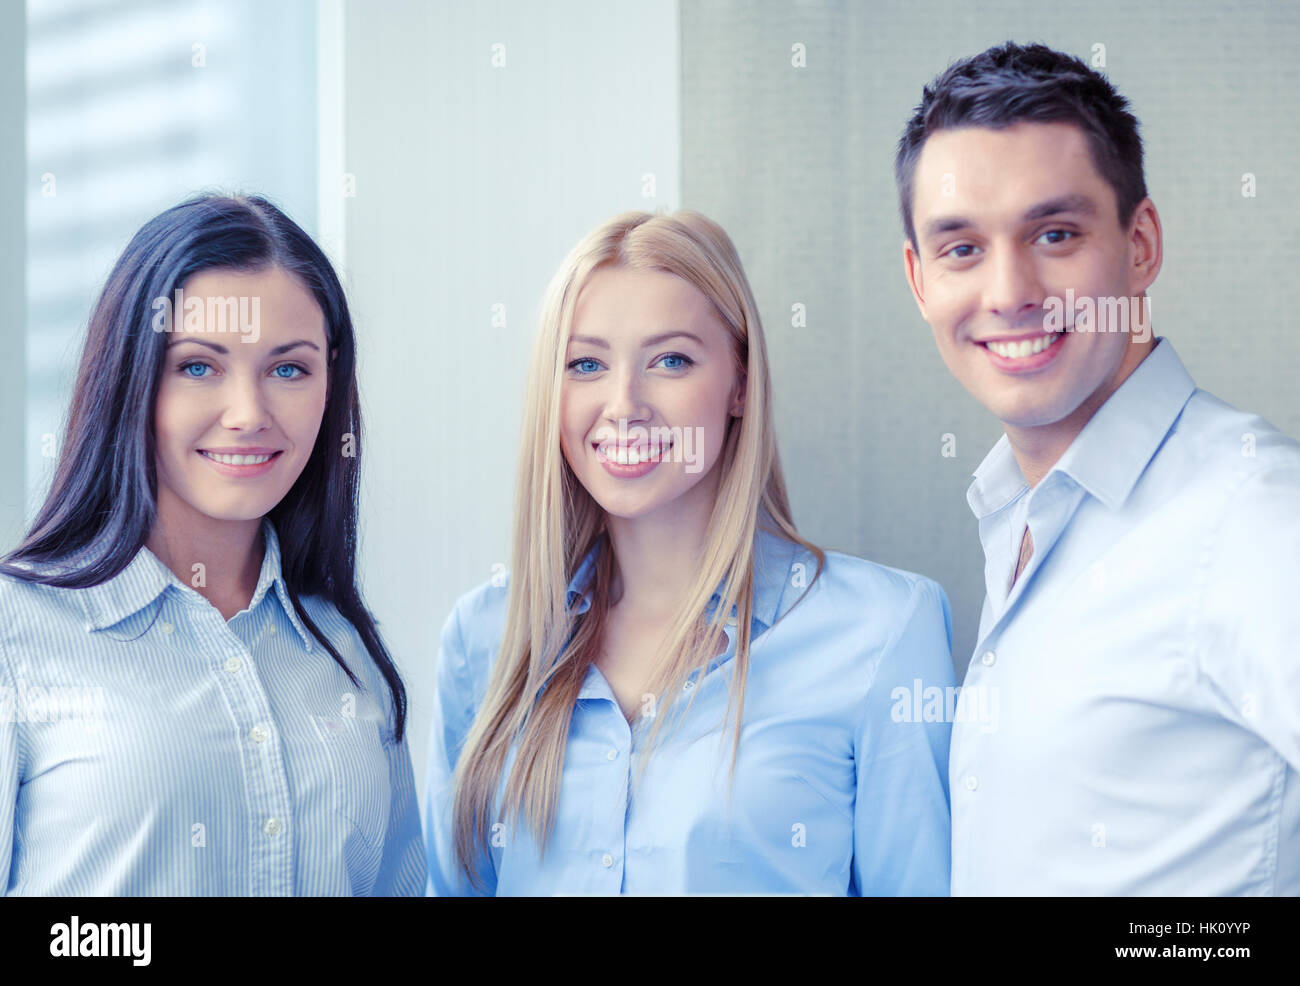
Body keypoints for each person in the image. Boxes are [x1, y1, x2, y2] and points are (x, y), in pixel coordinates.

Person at [424, 209, 955, 895]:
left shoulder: (884, 629)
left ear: (739, 382)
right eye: (585, 364)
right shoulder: (484, 639)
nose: (623, 405)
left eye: (670, 360)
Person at [897, 41, 1300, 894]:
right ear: (919, 280)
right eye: (961, 248)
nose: (1009, 292)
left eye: (1055, 234)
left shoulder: (1256, 516)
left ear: (1141, 244)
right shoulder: (1020, 510)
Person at [0, 194, 425, 895]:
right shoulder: (18, 635)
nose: (248, 414)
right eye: (198, 366)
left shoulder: (348, 653)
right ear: (132, 380)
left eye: (289, 369)